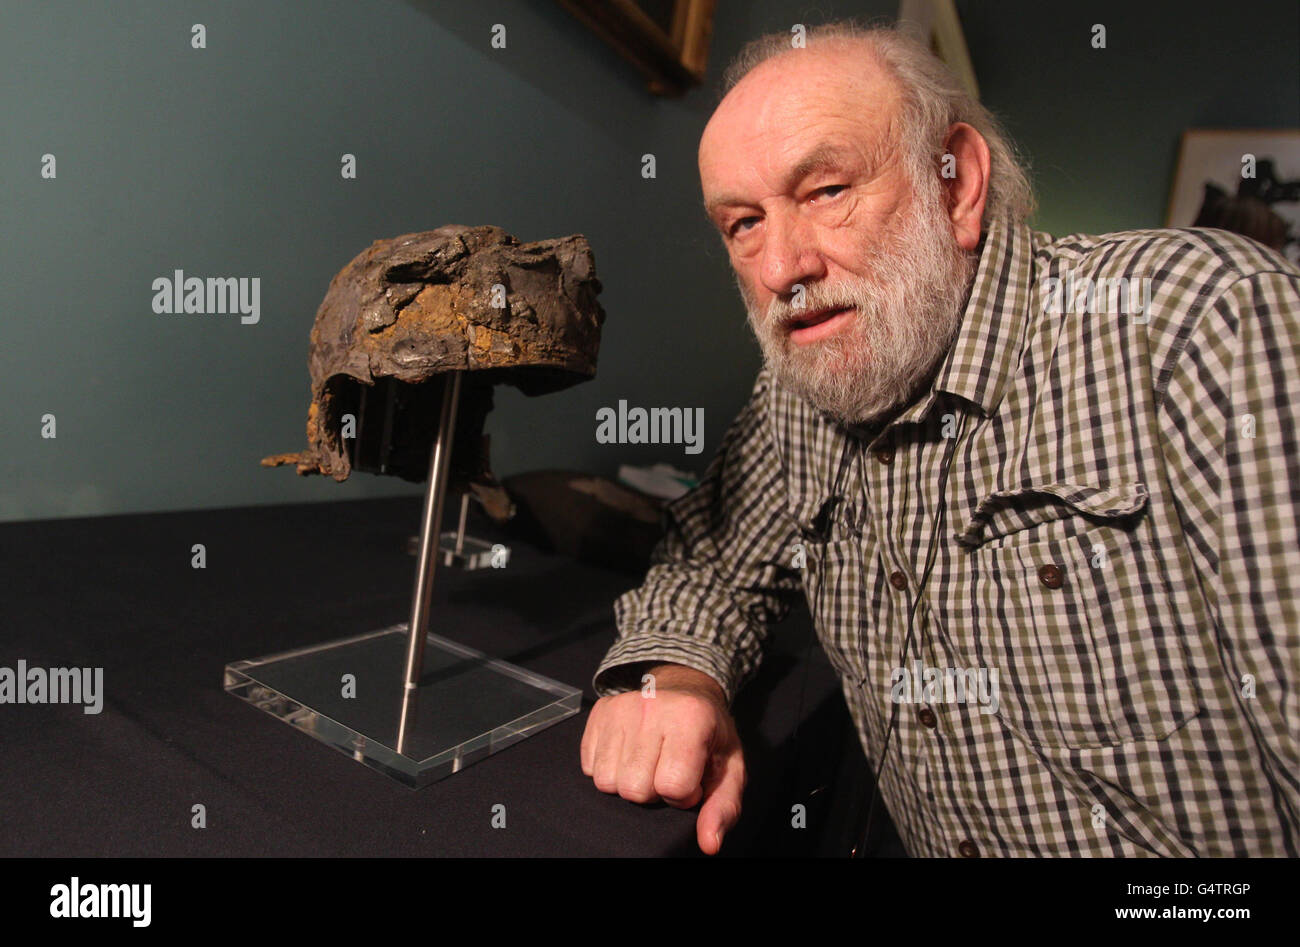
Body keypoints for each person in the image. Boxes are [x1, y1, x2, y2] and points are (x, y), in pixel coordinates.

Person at [579, 21, 1300, 857]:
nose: (780, 267)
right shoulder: (796, 391)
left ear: (957, 186)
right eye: (743, 222)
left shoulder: (1208, 325)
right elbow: (714, 563)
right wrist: (675, 675)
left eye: (825, 191)